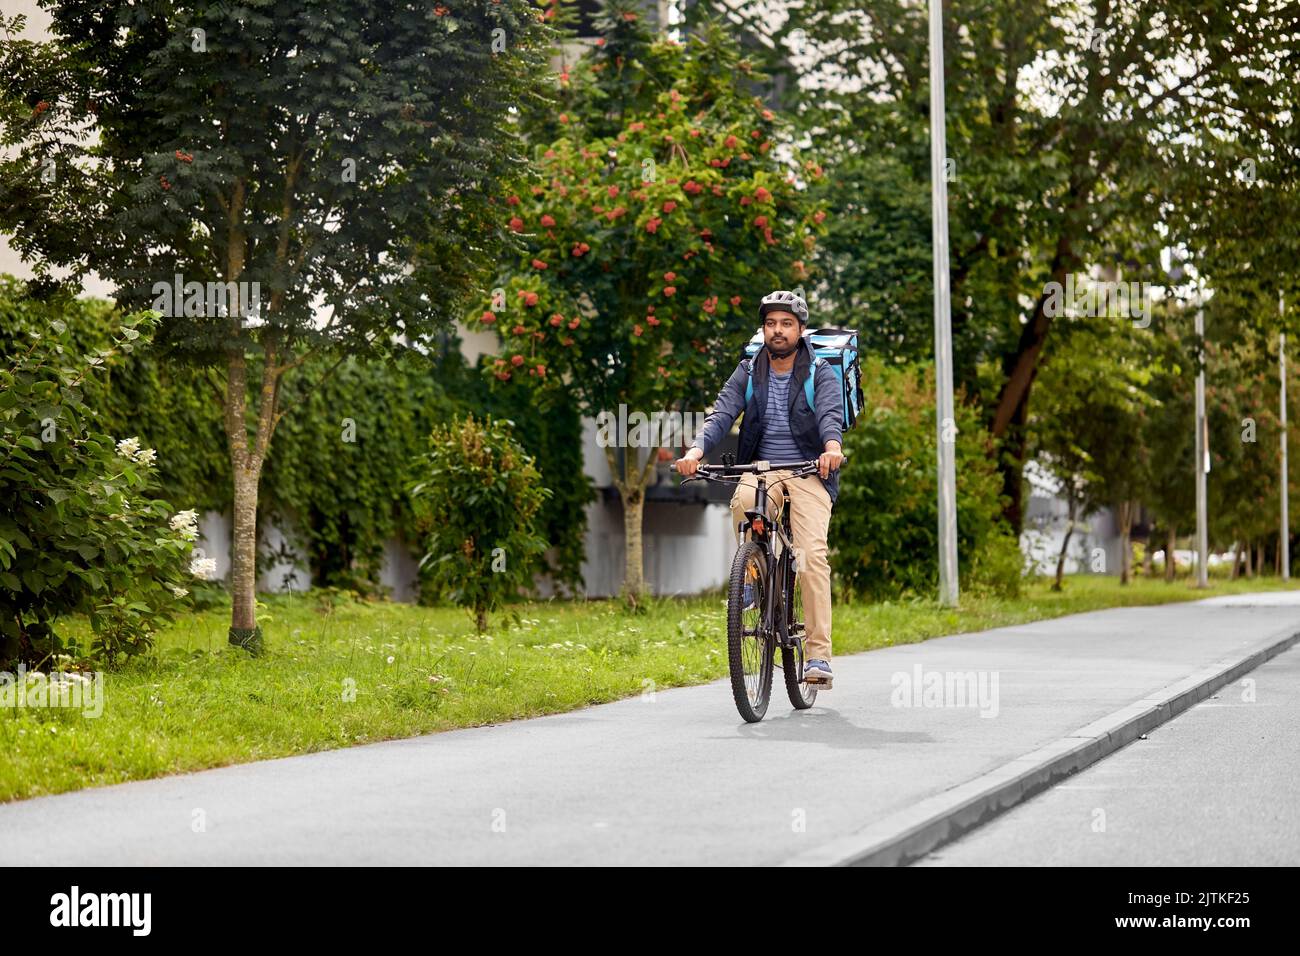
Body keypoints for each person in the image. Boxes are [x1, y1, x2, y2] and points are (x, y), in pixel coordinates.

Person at [674, 290, 845, 687]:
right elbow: (722, 411)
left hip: (807, 471)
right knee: (745, 500)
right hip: (762, 469)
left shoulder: (819, 372)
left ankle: (818, 658)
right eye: (771, 324)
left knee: (812, 557)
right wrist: (696, 449)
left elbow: (830, 416)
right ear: (763, 330)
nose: (778, 331)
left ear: (800, 330)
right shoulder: (749, 371)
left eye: (786, 324)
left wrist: (832, 449)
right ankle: (754, 575)